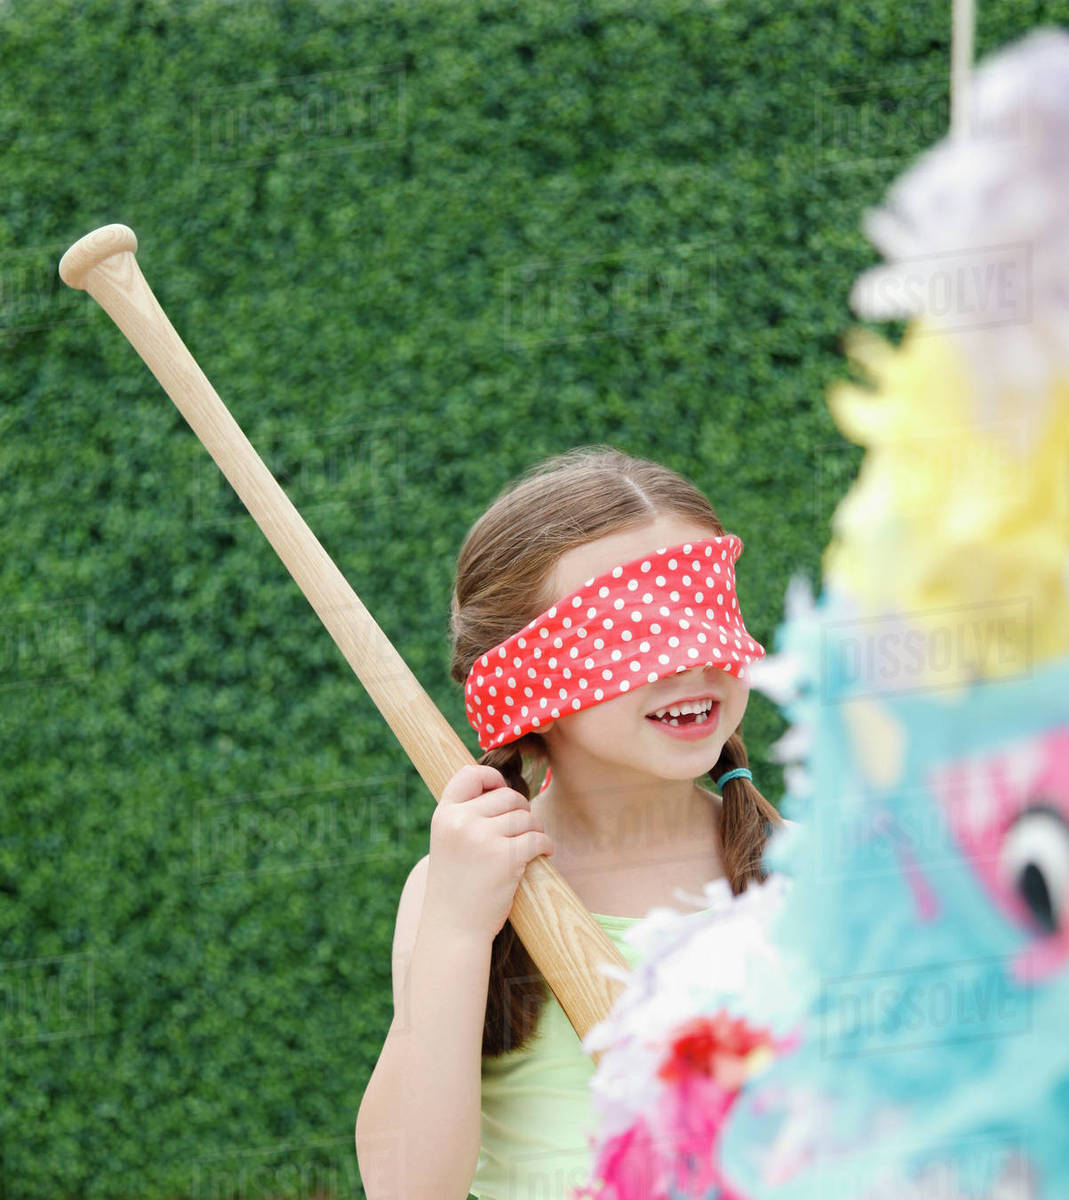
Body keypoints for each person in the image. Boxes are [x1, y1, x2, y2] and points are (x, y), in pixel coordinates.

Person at [355, 445, 783, 1200]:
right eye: (633, 633)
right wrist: (456, 929)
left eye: (702, 612)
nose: (690, 660)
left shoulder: (799, 879)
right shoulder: (462, 894)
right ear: (521, 680)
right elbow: (403, 1186)